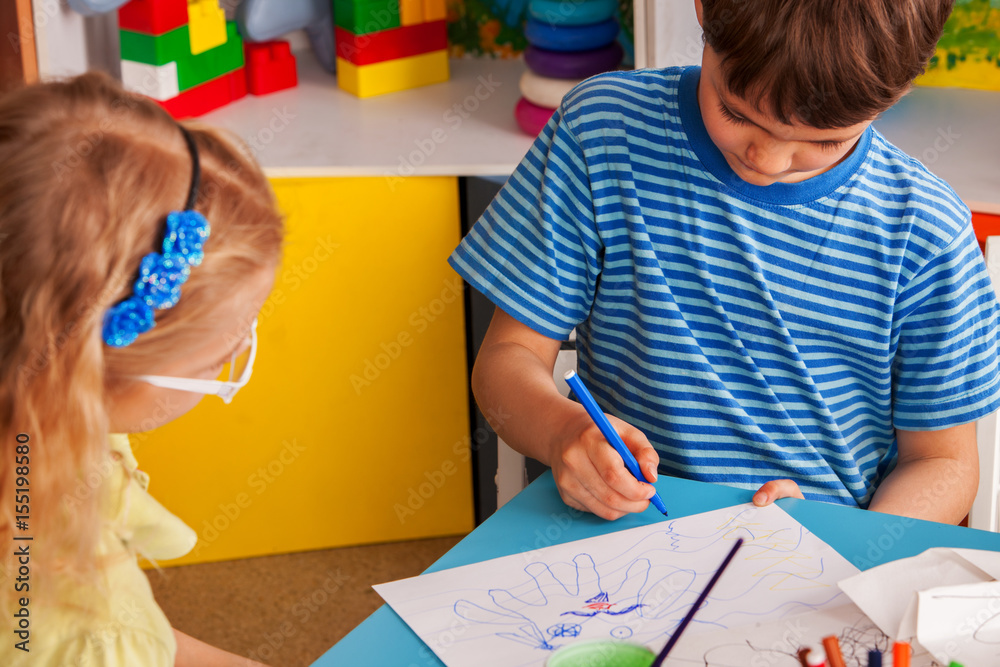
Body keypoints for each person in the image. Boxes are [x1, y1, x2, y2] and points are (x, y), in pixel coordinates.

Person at [452, 0, 999, 525]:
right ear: (704, 9)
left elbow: (943, 462)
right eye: (737, 113)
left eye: (824, 141)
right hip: (620, 535)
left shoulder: (925, 231)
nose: (768, 160)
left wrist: (848, 546)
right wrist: (559, 431)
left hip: (824, 564)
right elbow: (506, 360)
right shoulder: (601, 131)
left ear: (899, 89)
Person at [0, 72, 283, 666]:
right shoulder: (80, 621)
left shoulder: (38, 420)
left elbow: (143, 634)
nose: (238, 350)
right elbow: (109, 635)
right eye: (220, 358)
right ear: (90, 374)